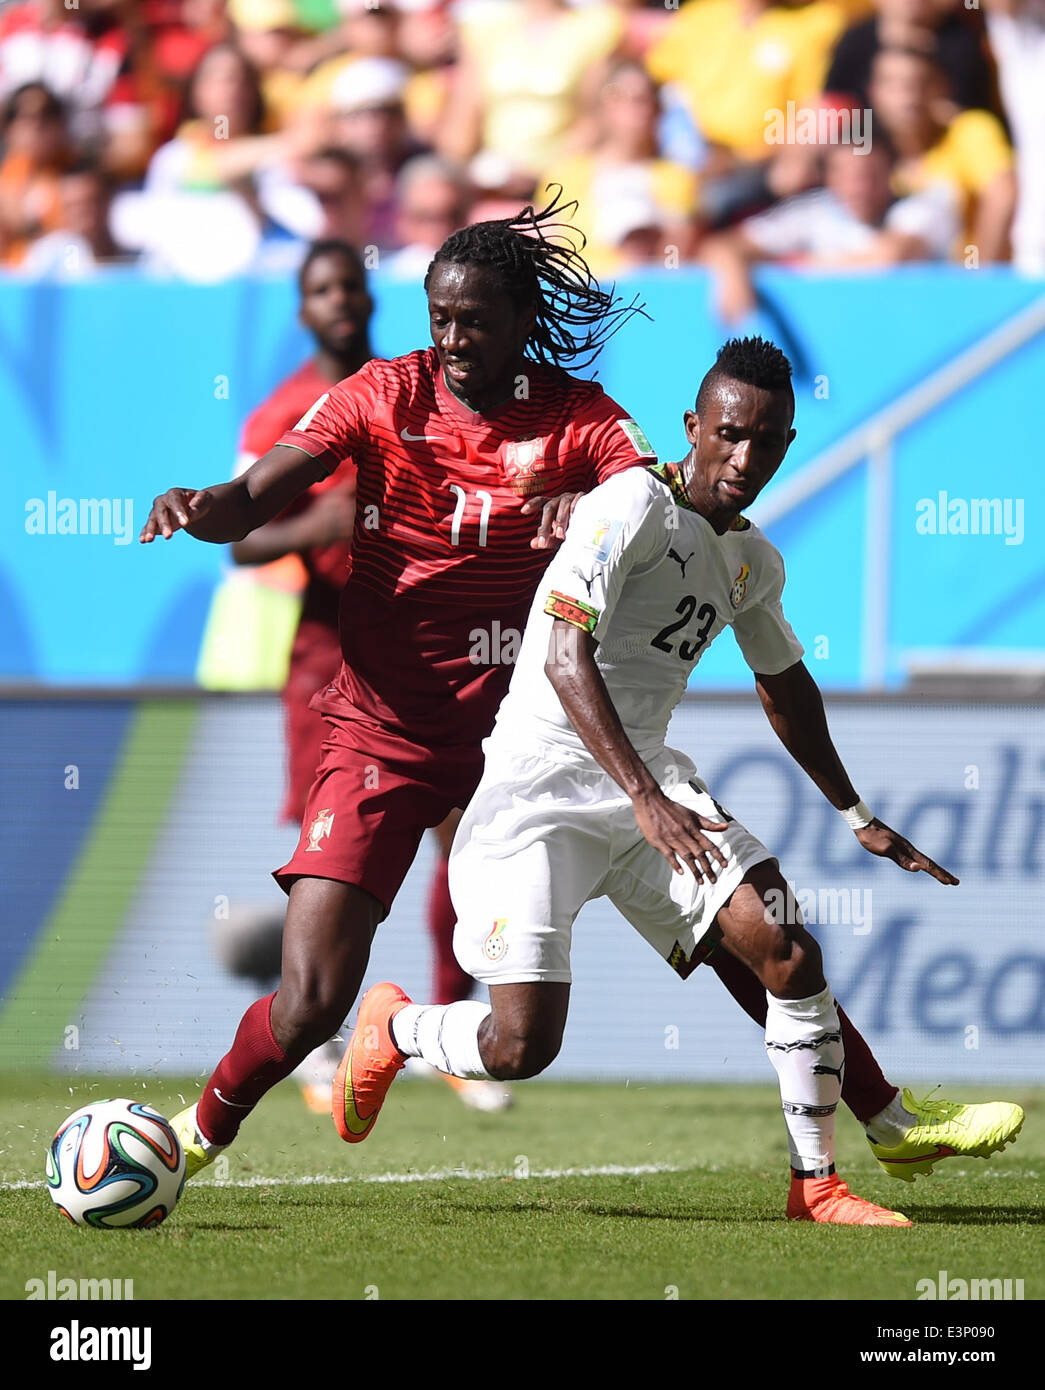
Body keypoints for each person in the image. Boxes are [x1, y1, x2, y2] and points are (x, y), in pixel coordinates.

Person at [340, 335, 1025, 1224]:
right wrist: (641, 795)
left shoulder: (751, 562)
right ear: (693, 427)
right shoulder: (628, 506)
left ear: (785, 443)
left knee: (784, 948)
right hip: (540, 789)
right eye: (731, 433)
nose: (746, 457)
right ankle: (394, 1027)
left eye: (768, 440)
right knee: (520, 1045)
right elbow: (561, 653)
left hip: (648, 786)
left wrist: (855, 812)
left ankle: (816, 1184)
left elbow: (785, 687)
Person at [139, 196, 653, 1175]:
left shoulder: (580, 419)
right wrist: (199, 503)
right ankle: (194, 1140)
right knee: (309, 1001)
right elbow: (253, 498)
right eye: (441, 317)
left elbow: (648, 498)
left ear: (521, 318)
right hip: (378, 732)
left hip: (515, 749)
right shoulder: (380, 395)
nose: (455, 338)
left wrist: (621, 517)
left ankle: (833, 1141)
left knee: (541, 1026)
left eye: (476, 319)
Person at [214, 236, 510, 1114]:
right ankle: (320, 1029)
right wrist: (318, 527)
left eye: (352, 284)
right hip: (327, 659)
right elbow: (241, 541)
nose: (341, 300)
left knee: (464, 846)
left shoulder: (408, 390)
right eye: (322, 289)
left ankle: (451, 1025)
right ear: (303, 308)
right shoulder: (284, 410)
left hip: (435, 655)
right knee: (330, 863)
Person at [702, 138, 958, 322]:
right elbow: (721, 246)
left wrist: (794, 264)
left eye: (870, 175)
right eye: (848, 175)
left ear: (890, 174)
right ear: (830, 178)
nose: (859, 187)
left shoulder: (924, 208)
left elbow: (887, 260)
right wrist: (733, 273)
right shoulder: (812, 211)